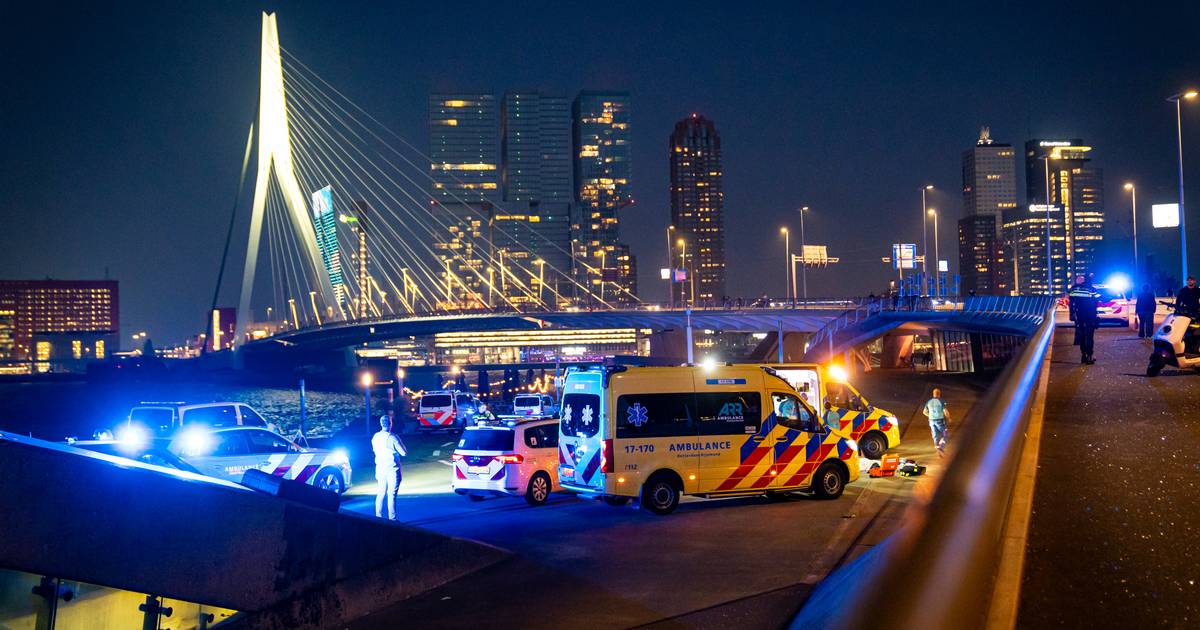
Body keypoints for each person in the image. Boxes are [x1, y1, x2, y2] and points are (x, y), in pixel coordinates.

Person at [372, 415, 407, 521]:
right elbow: (404, 453)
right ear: (390, 424)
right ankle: (392, 518)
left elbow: (374, 450)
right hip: (392, 469)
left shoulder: (375, 437)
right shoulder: (393, 437)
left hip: (380, 468)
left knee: (380, 492)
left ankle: (378, 517)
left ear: (380, 424)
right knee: (391, 494)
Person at [1069, 274, 1100, 364]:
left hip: (1079, 315)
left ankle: (1083, 355)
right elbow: (1096, 301)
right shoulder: (1092, 290)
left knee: (1082, 335)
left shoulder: (1074, 289)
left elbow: (1071, 303)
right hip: (1090, 315)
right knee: (1089, 335)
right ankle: (1089, 356)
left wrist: (1071, 314)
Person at [923, 388, 949, 456]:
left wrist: (930, 415)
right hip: (940, 421)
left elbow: (924, 412)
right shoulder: (941, 401)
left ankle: (937, 446)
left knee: (935, 435)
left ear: (933, 394)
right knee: (945, 434)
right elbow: (945, 412)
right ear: (939, 394)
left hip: (931, 421)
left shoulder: (929, 401)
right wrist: (948, 418)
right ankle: (941, 446)